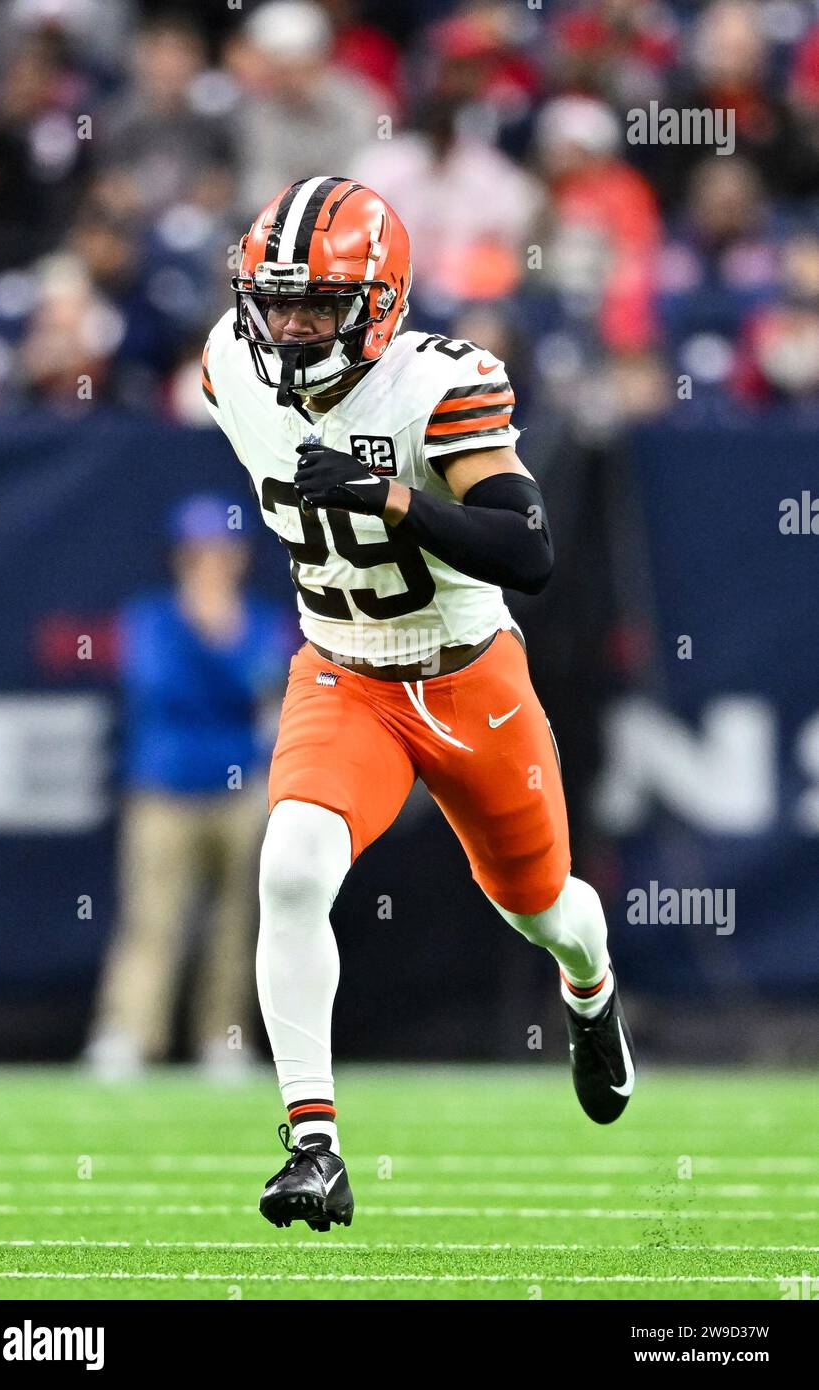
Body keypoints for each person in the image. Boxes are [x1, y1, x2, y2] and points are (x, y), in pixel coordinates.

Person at [201, 175, 636, 1231]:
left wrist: (391, 495)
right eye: (276, 300)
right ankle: (313, 1142)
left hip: (466, 672)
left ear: (380, 304)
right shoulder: (230, 363)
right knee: (294, 864)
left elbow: (526, 551)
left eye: (316, 304)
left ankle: (590, 990)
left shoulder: (438, 384)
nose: (289, 325)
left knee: (541, 911)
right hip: (342, 669)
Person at [84, 494, 289, 1081]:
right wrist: (221, 646)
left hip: (241, 791)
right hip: (164, 790)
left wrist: (226, 645)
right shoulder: (149, 619)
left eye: (221, 552)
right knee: (152, 918)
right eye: (199, 553)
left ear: (240, 557)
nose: (211, 563)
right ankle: (127, 1035)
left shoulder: (261, 621)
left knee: (237, 922)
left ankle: (222, 1040)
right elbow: (161, 686)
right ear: (181, 558)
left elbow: (274, 693)